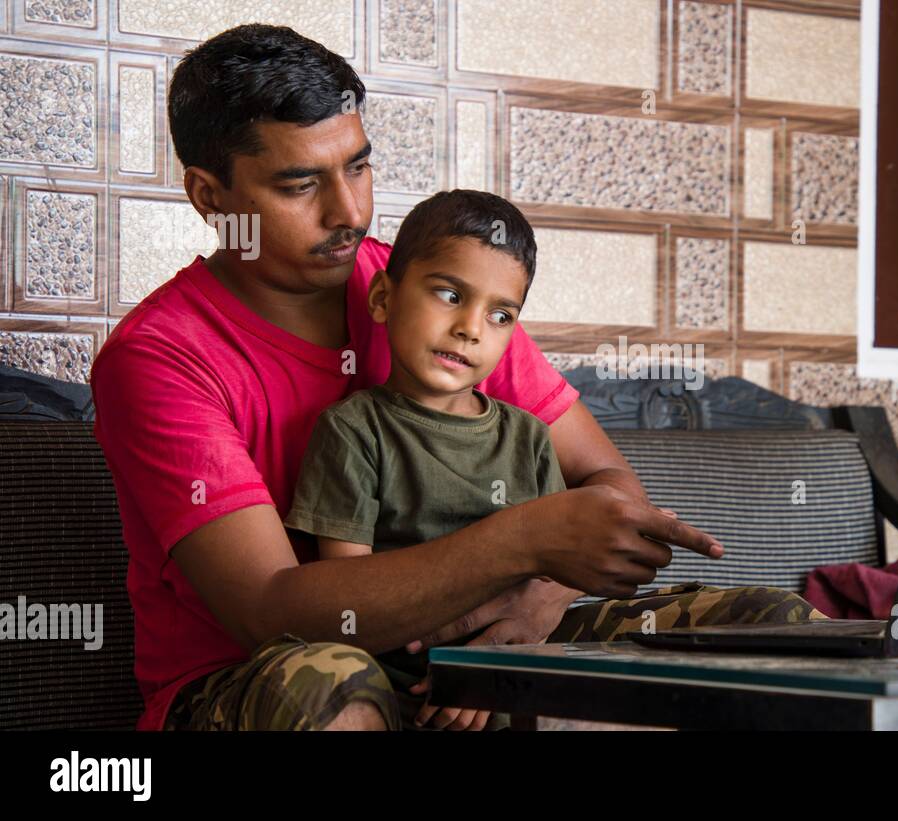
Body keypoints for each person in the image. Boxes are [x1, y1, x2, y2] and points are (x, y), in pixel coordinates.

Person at [90, 23, 823, 732]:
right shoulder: (158, 358)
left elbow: (609, 484)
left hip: (481, 645)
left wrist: (537, 602)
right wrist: (524, 540)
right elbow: (270, 609)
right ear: (210, 196)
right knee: (333, 685)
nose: (348, 211)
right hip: (264, 679)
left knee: (771, 630)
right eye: (299, 183)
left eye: (357, 165)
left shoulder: (427, 288)